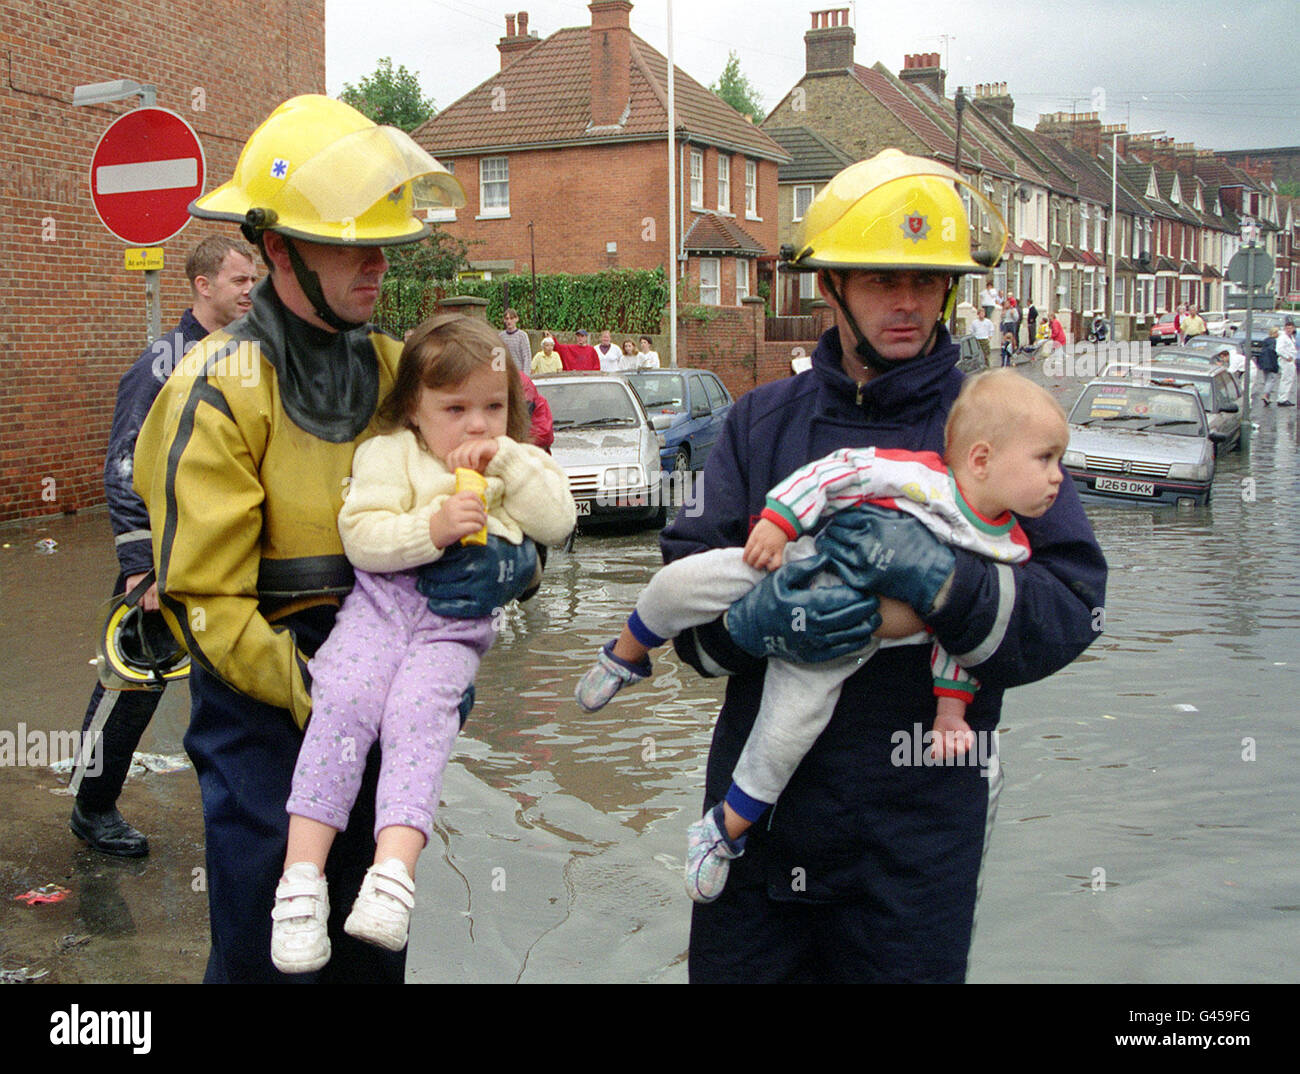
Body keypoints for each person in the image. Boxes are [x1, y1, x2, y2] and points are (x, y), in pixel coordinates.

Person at [658, 148, 1106, 982]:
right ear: (829, 287)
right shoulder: (757, 425)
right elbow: (684, 594)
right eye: (879, 279)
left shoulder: (996, 425)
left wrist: (950, 587)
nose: (907, 303)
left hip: (916, 842)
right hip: (758, 830)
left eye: (928, 281)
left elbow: (1075, 602)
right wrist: (750, 624)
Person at [134, 95, 543, 983]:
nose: (374, 266)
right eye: (347, 243)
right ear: (277, 249)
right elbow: (205, 601)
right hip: (265, 715)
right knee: (265, 958)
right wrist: (329, 698)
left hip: (386, 681)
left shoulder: (405, 368)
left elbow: (506, 480)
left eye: (383, 246)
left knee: (369, 954)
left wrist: (518, 564)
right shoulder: (218, 387)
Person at [578, 370, 1068, 904]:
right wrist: (780, 521)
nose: (1060, 477)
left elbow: (963, 640)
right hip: (792, 566)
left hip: (845, 650)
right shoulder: (920, 476)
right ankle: (625, 655)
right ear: (981, 460)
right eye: (1046, 460)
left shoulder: (1011, 551)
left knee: (783, 738)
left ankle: (720, 835)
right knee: (680, 582)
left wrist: (951, 710)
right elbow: (838, 473)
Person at [270, 315, 574, 973]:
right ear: (414, 407)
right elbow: (362, 537)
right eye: (455, 408)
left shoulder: (514, 462)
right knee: (342, 704)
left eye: (493, 407)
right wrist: (429, 529)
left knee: (419, 724)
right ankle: (300, 883)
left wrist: (513, 463)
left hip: (451, 629)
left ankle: (392, 880)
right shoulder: (389, 454)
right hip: (380, 610)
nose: (476, 425)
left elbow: (558, 517)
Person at [69, 235, 256, 857]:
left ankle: (247, 806)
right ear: (203, 286)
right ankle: (92, 808)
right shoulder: (162, 362)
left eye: (253, 278)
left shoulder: (243, 355)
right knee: (133, 685)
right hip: (165, 563)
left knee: (235, 684)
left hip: (227, 559)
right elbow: (122, 465)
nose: (250, 289)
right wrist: (139, 568)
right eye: (239, 280)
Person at [498, 307, 531, 373]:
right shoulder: (501, 336)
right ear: (504, 320)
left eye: (511, 318)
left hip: (520, 372)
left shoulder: (522, 336)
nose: (509, 321)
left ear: (516, 319)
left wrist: (525, 376)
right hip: (506, 373)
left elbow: (527, 357)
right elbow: (499, 357)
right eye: (507, 319)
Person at [1256, 327, 1280, 405]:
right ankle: (1265, 395)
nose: (1278, 334)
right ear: (1275, 333)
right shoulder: (1274, 342)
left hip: (1263, 362)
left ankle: (1267, 397)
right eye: (1277, 332)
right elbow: (1273, 353)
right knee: (1271, 379)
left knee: (1266, 379)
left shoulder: (1265, 340)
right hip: (1271, 363)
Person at [1276, 319, 1297, 406]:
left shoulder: (1291, 337)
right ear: (1285, 328)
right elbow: (1279, 349)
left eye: (1291, 328)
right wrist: (1287, 357)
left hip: (1291, 361)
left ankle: (1285, 397)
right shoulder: (1282, 337)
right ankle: (1282, 399)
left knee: (1289, 379)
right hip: (1285, 361)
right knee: (1285, 380)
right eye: (1287, 328)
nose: (1289, 330)